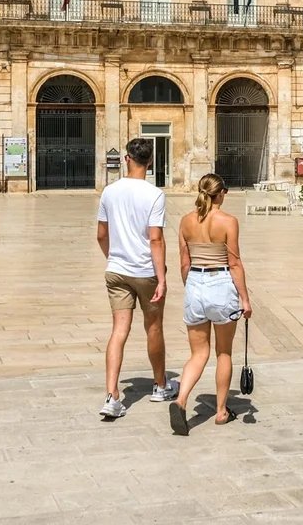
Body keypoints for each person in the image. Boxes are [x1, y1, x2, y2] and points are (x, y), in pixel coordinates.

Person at [95, 137, 176, 420]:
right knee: (153, 328)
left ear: (127, 158)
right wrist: (162, 277)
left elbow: (101, 235)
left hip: (116, 270)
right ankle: (161, 385)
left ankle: (112, 395)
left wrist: (114, 257)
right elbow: (156, 239)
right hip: (145, 272)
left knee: (119, 331)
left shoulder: (109, 191)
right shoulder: (155, 194)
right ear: (151, 161)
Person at [169, 174, 252, 435]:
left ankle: (181, 399)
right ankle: (220, 411)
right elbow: (235, 262)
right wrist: (245, 299)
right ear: (221, 194)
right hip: (221, 282)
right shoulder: (228, 221)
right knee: (223, 352)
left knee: (198, 353)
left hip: (195, 281)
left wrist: (191, 287)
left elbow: (184, 262)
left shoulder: (185, 221)